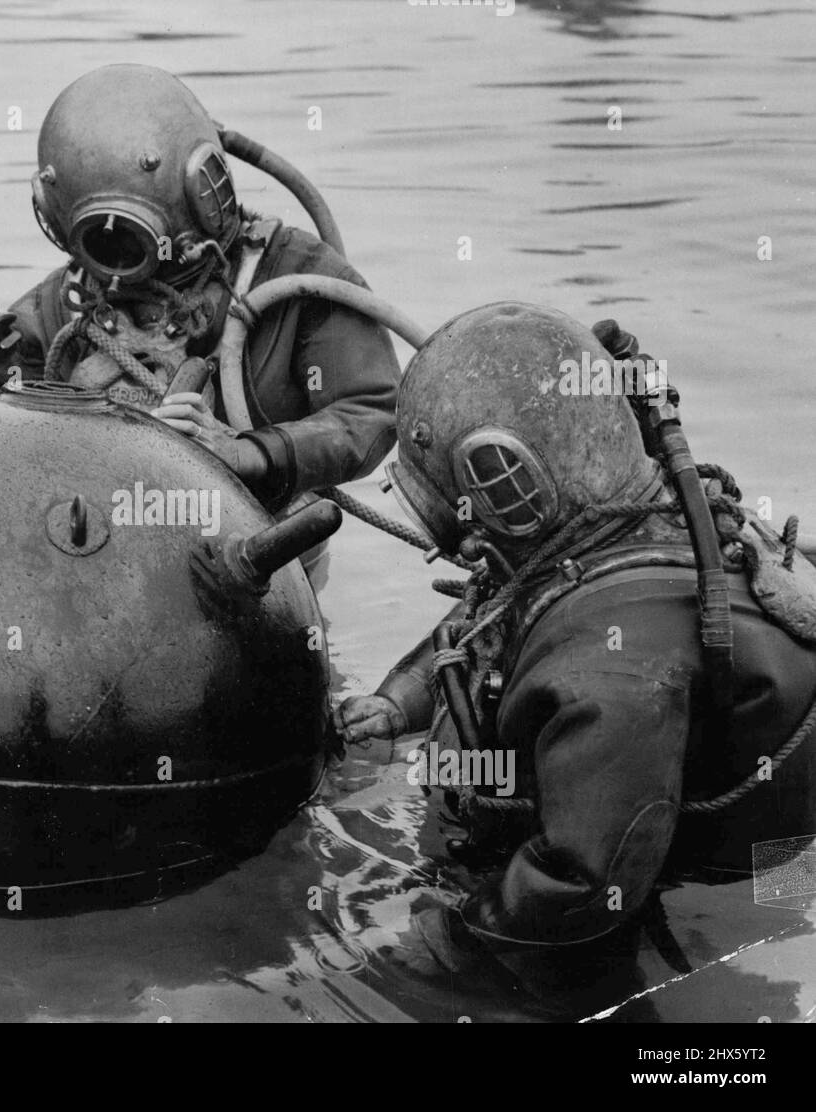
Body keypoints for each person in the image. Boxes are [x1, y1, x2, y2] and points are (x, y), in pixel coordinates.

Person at [334, 301, 816, 1018]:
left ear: (509, 478)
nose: (455, 541)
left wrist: (435, 950)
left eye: (455, 510)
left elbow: (584, 886)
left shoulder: (613, 668)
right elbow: (486, 618)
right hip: (726, 856)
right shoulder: (639, 525)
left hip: (739, 893)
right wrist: (400, 701)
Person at [0, 64, 401, 561]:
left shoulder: (295, 281)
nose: (121, 262)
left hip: (261, 554)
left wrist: (250, 453)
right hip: (97, 553)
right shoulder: (58, 307)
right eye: (103, 239)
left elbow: (371, 409)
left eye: (127, 235)